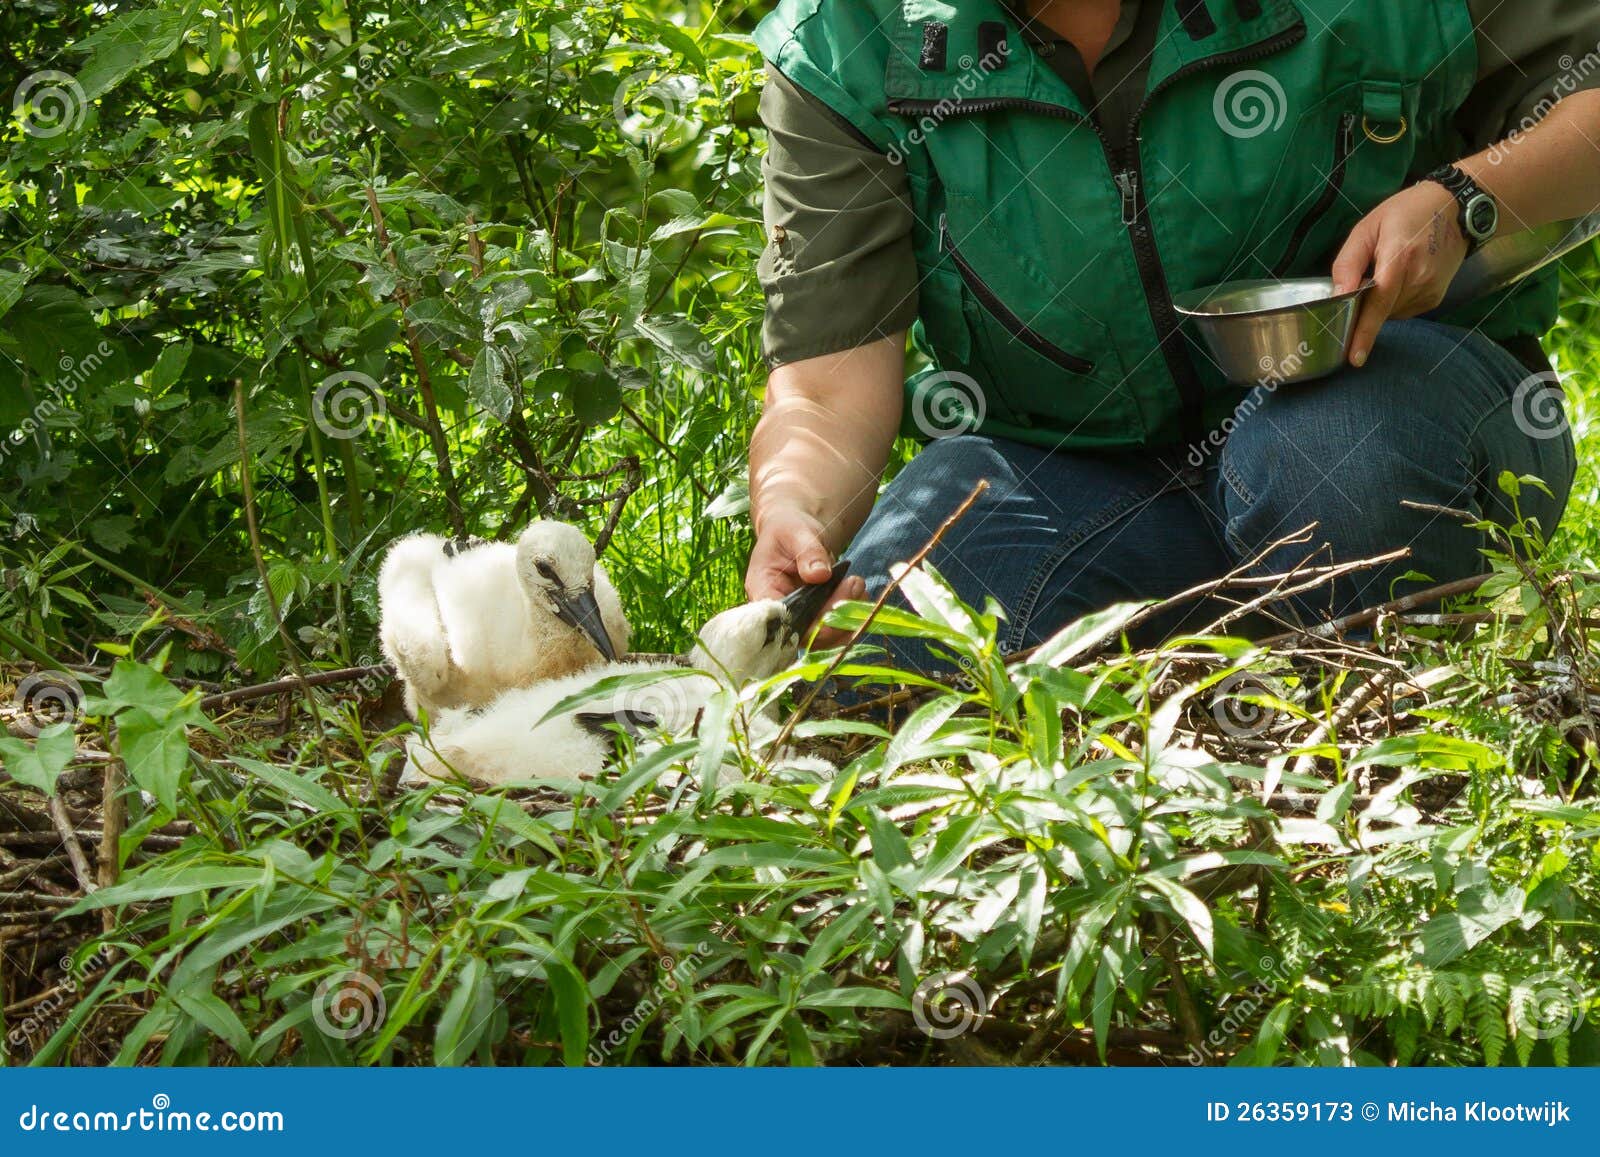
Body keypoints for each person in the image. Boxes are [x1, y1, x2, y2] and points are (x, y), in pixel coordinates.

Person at [743, 0, 1600, 664]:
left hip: (1396, 409)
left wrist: (1464, 199)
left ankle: (1370, 726)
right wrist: (794, 509)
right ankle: (1214, 690)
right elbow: (824, 393)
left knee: (1323, 456)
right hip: (1081, 484)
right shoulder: (845, 43)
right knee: (890, 638)